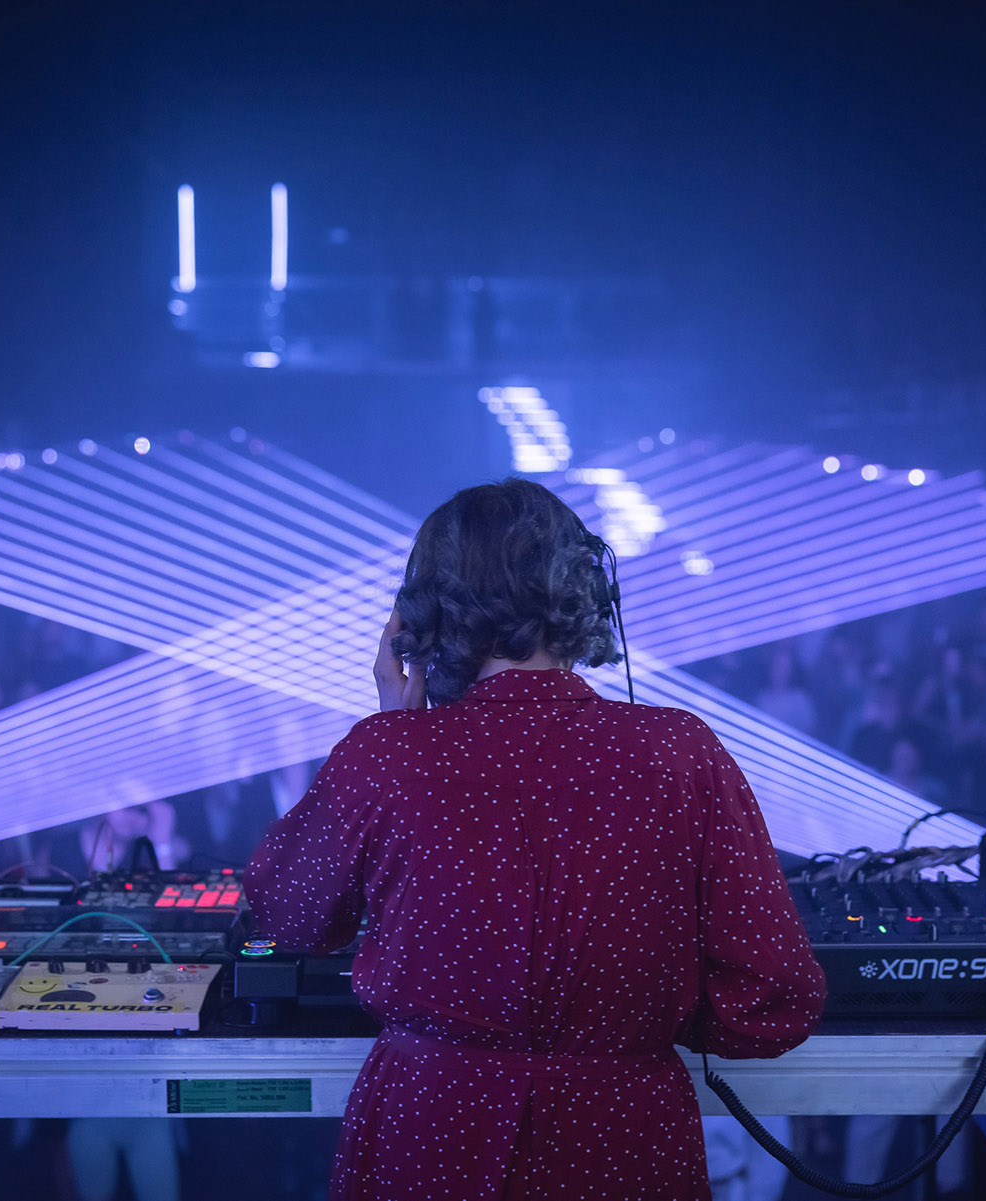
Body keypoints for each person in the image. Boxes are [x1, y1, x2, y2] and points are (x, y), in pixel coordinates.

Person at [246, 479, 826, 1200]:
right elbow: (772, 999)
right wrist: (633, 1028)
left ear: (422, 618)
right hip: (624, 1138)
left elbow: (291, 914)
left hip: (430, 1134)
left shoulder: (388, 753)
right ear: (587, 596)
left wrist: (393, 725)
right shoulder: (681, 751)